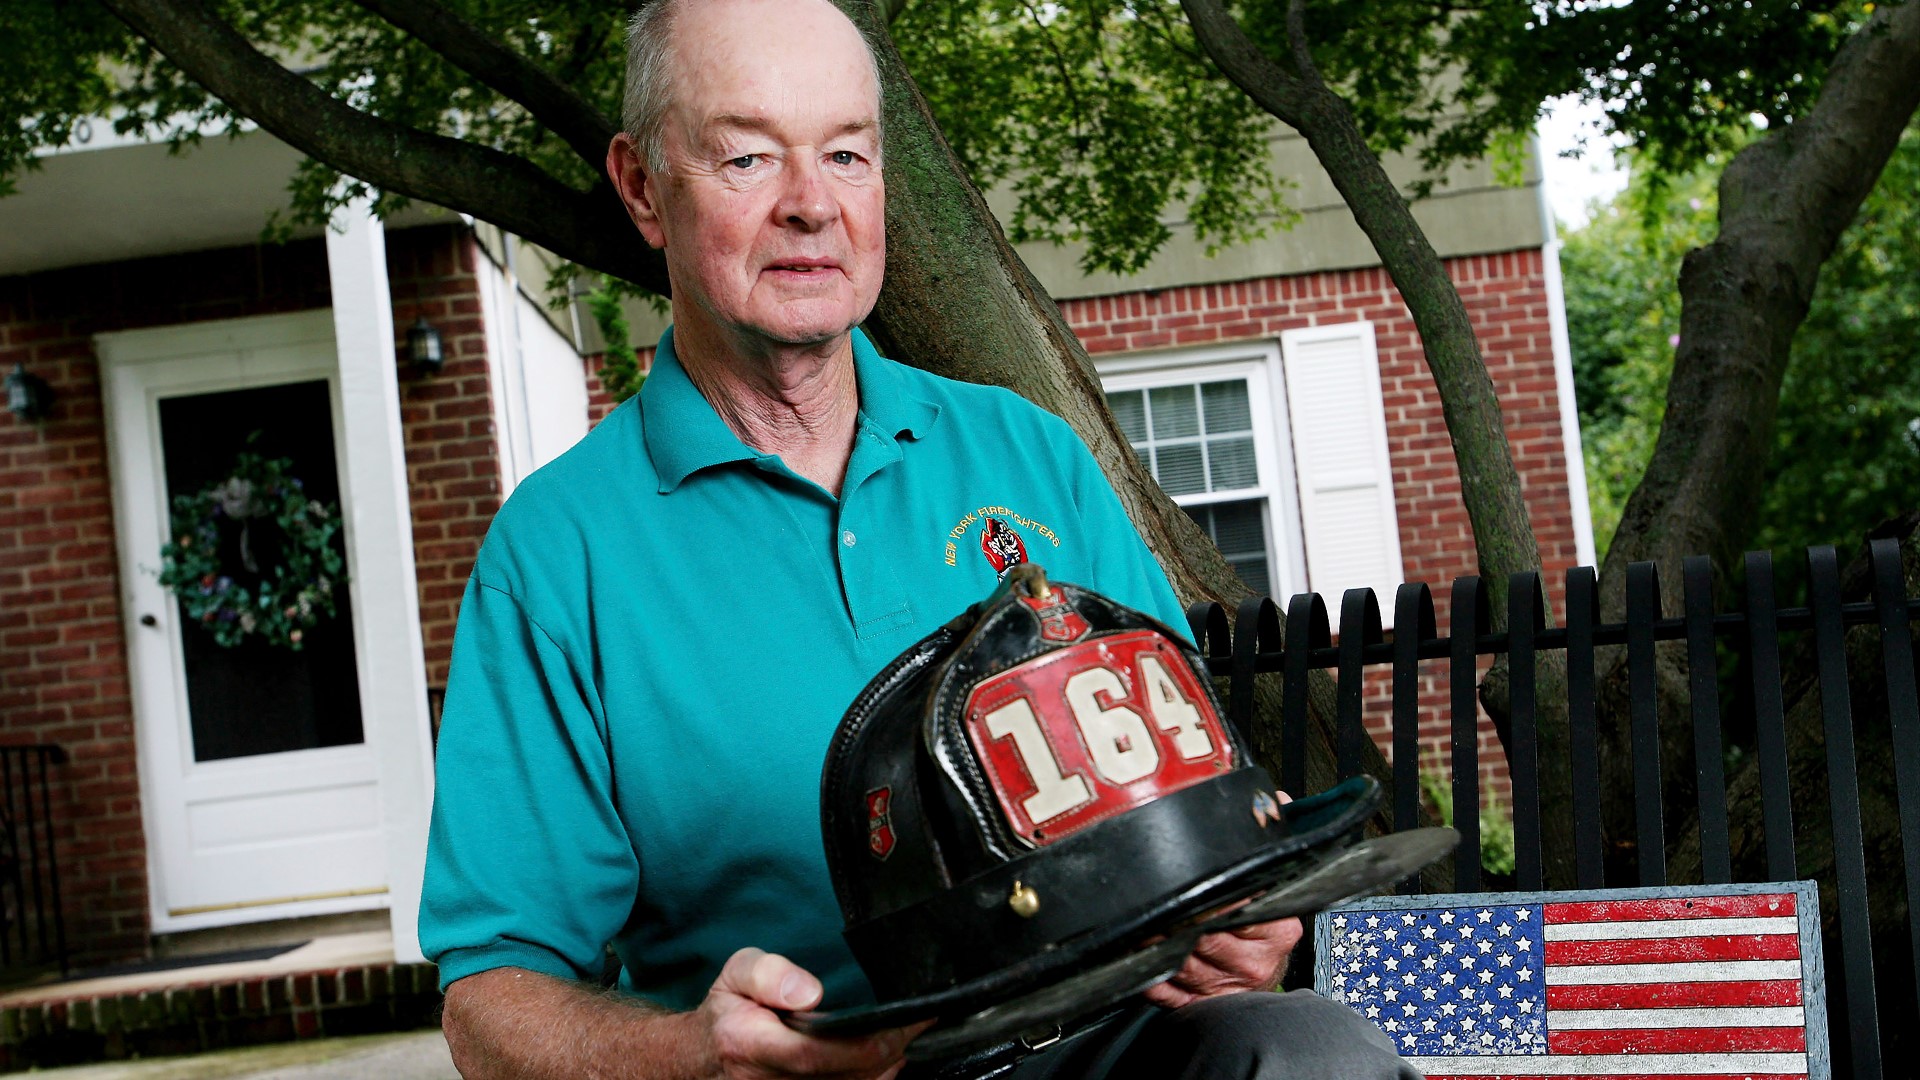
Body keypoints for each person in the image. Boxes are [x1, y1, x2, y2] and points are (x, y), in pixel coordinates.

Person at [420, 1, 1417, 1077]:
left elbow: (1199, 815)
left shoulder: (1027, 452)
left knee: (1307, 1048)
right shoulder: (558, 552)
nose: (812, 205)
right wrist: (692, 1055)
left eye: (846, 154)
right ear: (641, 188)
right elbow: (489, 1000)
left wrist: (1240, 925)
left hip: (1110, 1048)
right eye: (748, 157)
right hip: (818, 1077)